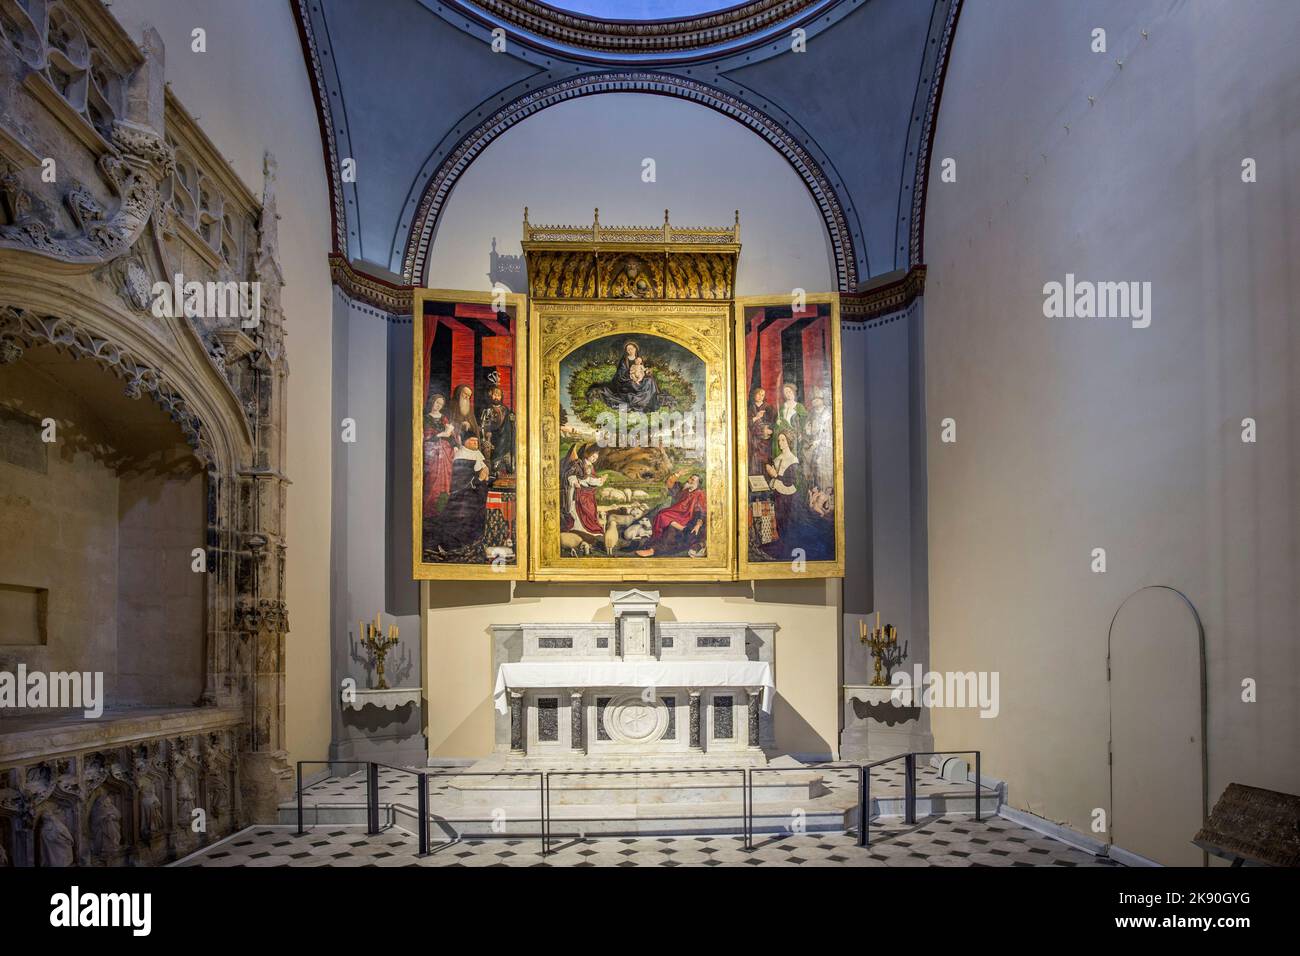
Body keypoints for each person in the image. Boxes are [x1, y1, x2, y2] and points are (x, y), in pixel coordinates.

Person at [636, 474, 707, 557]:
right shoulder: (685, 490)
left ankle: (653, 549)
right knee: (661, 515)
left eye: (693, 480)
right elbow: (670, 484)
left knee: (670, 524)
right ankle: (655, 538)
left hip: (687, 517)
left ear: (698, 484)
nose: (689, 480)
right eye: (690, 478)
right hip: (678, 513)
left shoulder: (700, 494)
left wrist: (698, 524)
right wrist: (677, 476)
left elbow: (702, 511)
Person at [586, 340, 661, 412]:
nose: (629, 351)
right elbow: (621, 373)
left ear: (635, 349)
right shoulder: (624, 360)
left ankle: (648, 401)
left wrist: (646, 372)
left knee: (650, 380)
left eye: (631, 349)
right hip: (626, 380)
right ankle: (638, 401)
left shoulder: (639, 359)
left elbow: (642, 370)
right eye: (628, 350)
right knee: (632, 384)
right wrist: (630, 373)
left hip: (639, 377)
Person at [560, 442, 605, 537]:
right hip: (578, 492)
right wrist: (575, 482)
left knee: (591, 508)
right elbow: (570, 475)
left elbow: (589, 479)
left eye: (596, 458)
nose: (594, 459)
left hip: (587, 492)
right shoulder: (578, 463)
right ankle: (580, 529)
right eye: (593, 456)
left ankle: (589, 529)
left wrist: (599, 481)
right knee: (584, 507)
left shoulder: (590, 466)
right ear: (587, 454)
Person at [423, 392, 454, 514]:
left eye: (441, 404)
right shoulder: (425, 417)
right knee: (432, 477)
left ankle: (442, 508)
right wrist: (441, 434)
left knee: (446, 478)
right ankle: (429, 507)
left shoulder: (443, 418)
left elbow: (451, 435)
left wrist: (455, 445)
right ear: (432, 402)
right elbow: (426, 435)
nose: (438, 406)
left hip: (446, 451)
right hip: (432, 450)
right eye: (437, 402)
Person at [480, 383, 515, 475]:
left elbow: (510, 424)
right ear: (490, 395)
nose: (497, 397)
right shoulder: (487, 409)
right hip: (493, 438)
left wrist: (512, 419)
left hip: (505, 437)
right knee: (494, 462)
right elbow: (484, 425)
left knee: (509, 463)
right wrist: (485, 437)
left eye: (498, 395)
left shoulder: (505, 409)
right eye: (495, 395)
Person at [773, 382, 807, 458]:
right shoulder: (782, 407)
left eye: (789, 391)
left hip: (794, 435)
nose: (788, 394)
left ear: (793, 392)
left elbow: (804, 422)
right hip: (783, 434)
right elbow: (778, 420)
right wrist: (777, 422)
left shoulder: (799, 406)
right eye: (786, 392)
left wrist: (801, 432)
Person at [748, 387, 776, 475]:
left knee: (764, 459)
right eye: (758, 394)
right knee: (754, 459)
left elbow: (773, 422)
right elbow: (745, 422)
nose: (760, 396)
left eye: (762, 395)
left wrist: (769, 430)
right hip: (753, 439)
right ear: (754, 395)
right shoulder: (749, 408)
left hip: (765, 440)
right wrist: (756, 417)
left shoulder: (769, 407)